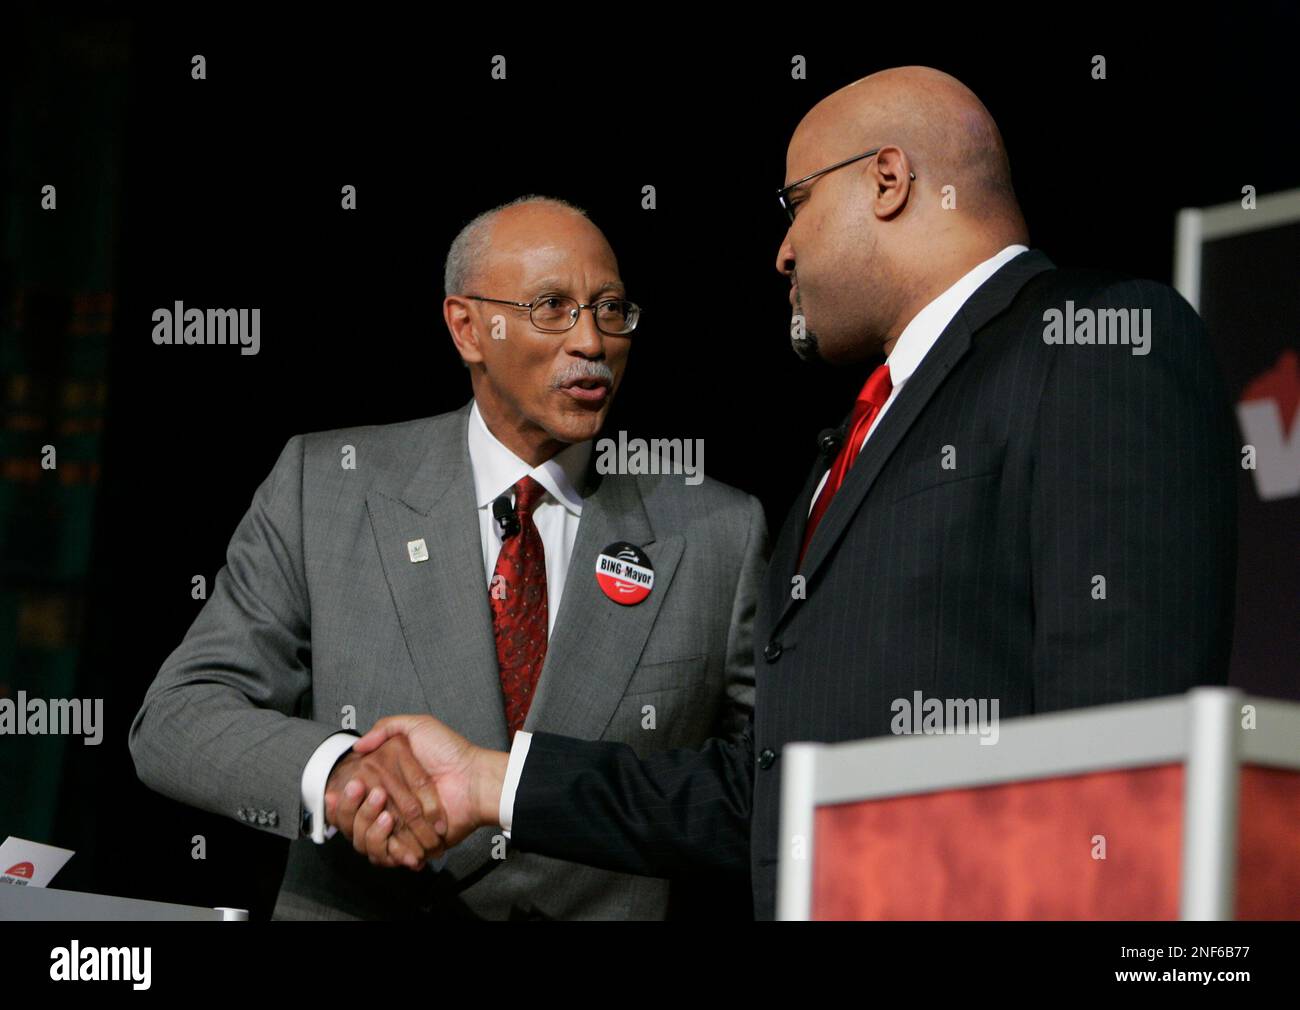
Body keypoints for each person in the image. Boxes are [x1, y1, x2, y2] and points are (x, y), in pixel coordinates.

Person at [344, 67, 1238, 921]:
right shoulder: (848, 444)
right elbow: (771, 796)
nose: (781, 252)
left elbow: (1126, 770)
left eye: (795, 202)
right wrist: (493, 782)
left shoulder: (1100, 345)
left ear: (888, 179)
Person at [129, 195, 767, 920]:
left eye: (611, 309)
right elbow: (177, 718)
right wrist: (339, 774)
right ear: (467, 328)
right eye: (552, 306)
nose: (592, 340)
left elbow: (767, 789)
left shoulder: (718, 532)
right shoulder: (326, 486)